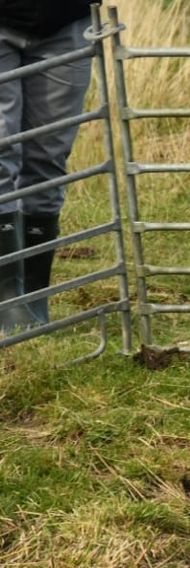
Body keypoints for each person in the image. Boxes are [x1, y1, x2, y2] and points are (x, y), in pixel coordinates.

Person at [0, 0, 94, 333]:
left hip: (65, 22)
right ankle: (8, 302)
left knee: (48, 157)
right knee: (0, 154)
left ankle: (37, 297)